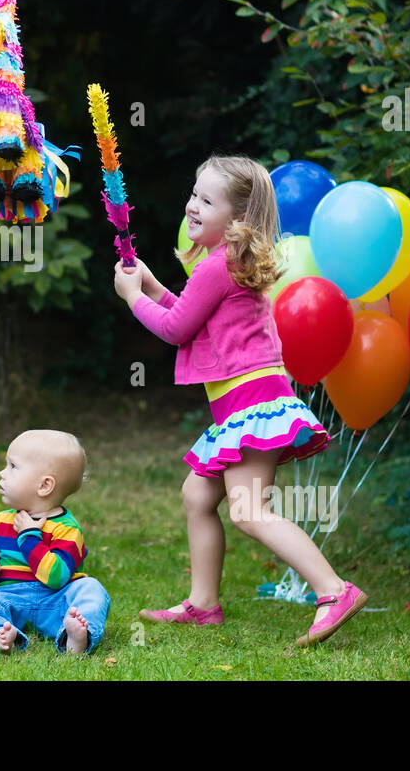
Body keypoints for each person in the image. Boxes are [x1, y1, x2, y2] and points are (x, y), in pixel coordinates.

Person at [113, 155, 367, 647]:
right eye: (193, 194)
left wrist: (130, 297)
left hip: (252, 407)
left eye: (207, 201)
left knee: (249, 511)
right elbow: (190, 313)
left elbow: (174, 328)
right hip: (245, 406)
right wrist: (149, 285)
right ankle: (203, 605)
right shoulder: (225, 264)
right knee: (197, 495)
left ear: (238, 220)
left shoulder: (216, 267)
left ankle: (334, 590)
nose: (192, 206)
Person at [0, 430, 110, 654]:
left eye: (13, 466)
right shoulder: (1, 521)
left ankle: (77, 635)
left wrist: (29, 537)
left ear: (44, 486)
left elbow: (56, 577)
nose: (2, 473)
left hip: (56, 603)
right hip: (9, 600)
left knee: (92, 589)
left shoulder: (67, 529)